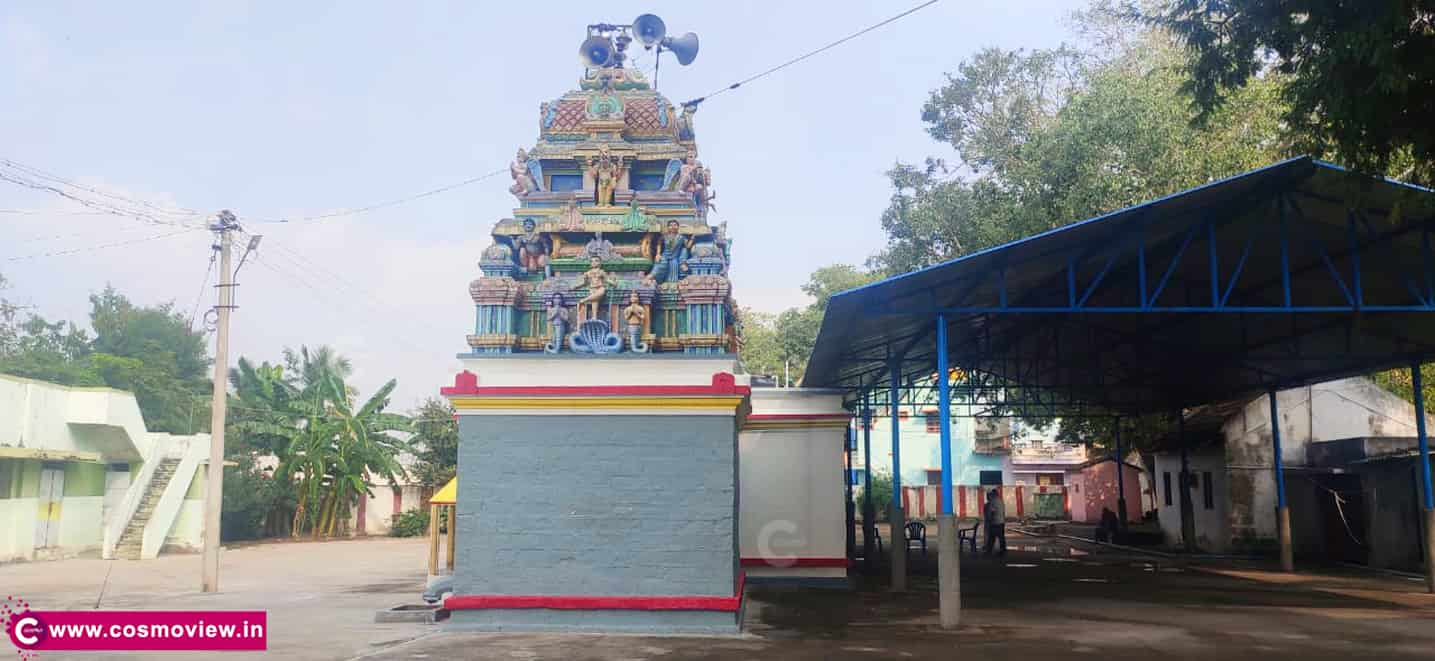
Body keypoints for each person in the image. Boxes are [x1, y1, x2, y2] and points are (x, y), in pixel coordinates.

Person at [983, 488, 1007, 556]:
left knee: (992, 537)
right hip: (1001, 522)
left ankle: (989, 551)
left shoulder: (993, 501)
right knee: (1001, 537)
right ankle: (1003, 550)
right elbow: (1003, 512)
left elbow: (991, 512)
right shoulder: (1001, 501)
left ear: (993, 494)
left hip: (995, 522)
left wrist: (989, 519)